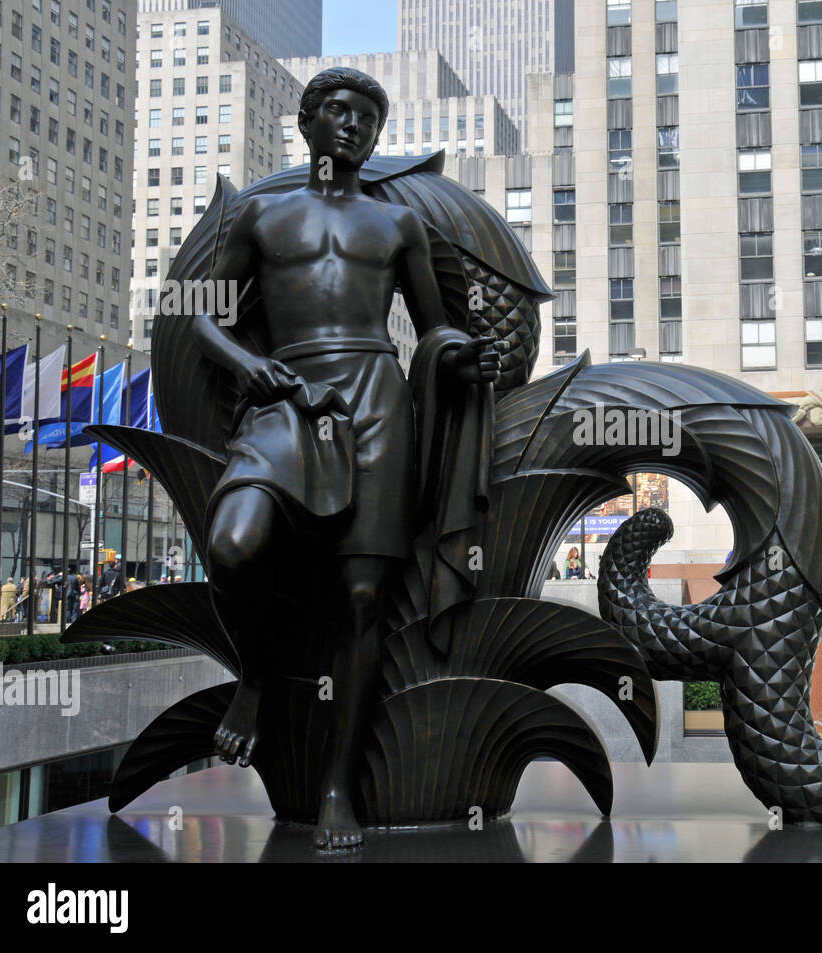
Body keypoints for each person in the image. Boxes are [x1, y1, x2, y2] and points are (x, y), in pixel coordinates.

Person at [188, 66, 501, 850]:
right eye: (339, 110)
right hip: (284, 398)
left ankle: (337, 787)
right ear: (308, 122)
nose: (354, 125)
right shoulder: (262, 217)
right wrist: (245, 363)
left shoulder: (398, 228)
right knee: (232, 543)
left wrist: (461, 356)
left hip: (375, 400)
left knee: (363, 596)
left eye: (368, 115)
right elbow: (203, 317)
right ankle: (256, 677)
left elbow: (432, 329)